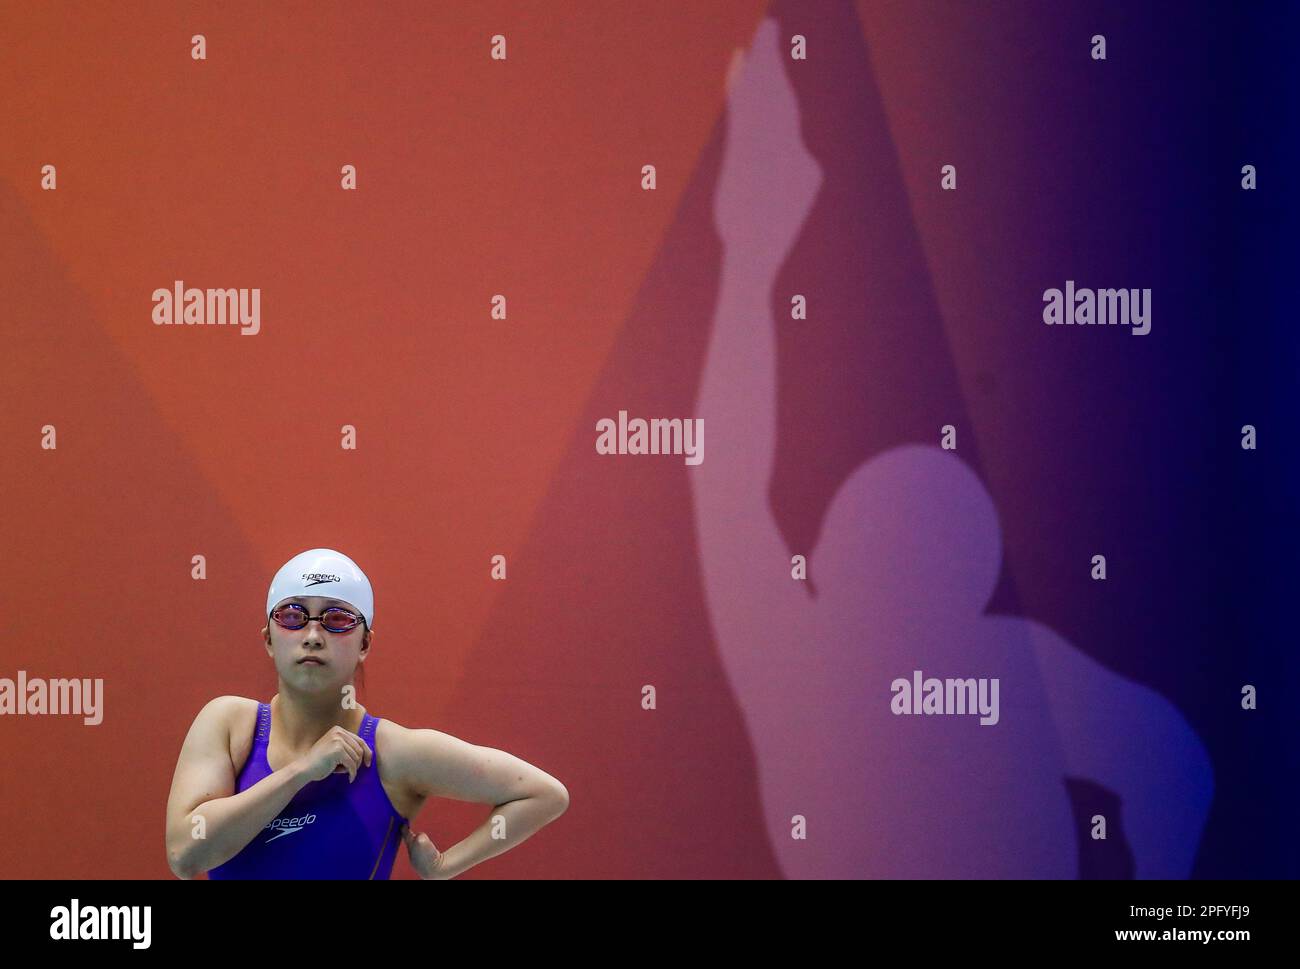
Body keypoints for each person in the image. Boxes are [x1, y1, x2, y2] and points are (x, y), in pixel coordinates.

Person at [164, 548, 569, 879]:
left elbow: (543, 794)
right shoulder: (231, 726)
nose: (312, 635)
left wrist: (448, 866)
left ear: (365, 644)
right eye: (292, 616)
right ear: (269, 638)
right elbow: (185, 855)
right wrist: (300, 773)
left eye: (337, 619)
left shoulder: (394, 753)